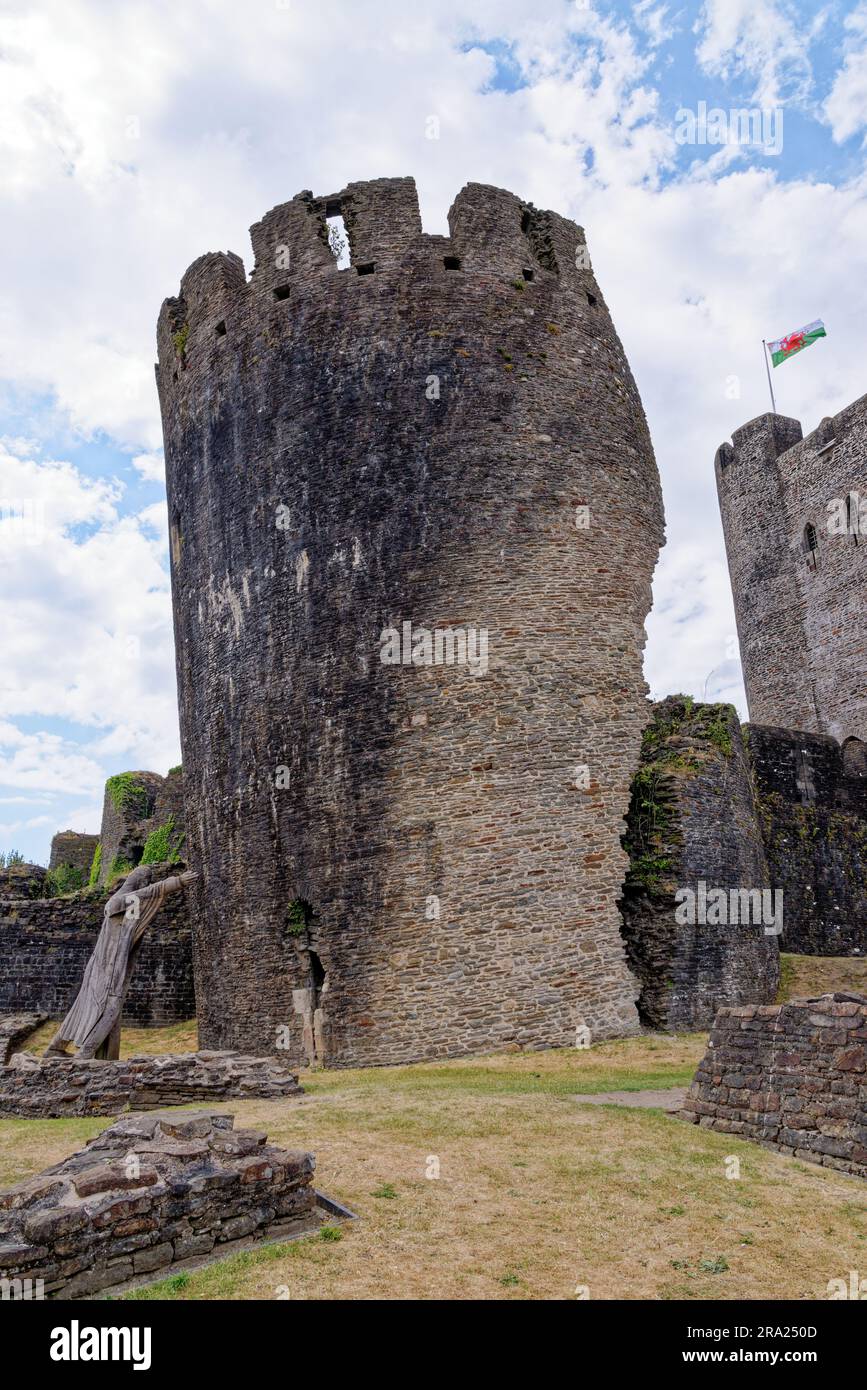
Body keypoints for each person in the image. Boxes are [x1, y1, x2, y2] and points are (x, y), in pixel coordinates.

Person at [45, 863, 197, 1060]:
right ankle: (84, 1053)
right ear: (139, 881)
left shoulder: (129, 904)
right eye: (146, 881)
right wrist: (176, 883)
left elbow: (133, 925)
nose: (147, 884)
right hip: (106, 964)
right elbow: (146, 894)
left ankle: (56, 1047)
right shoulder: (116, 901)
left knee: (91, 1005)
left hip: (111, 961)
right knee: (110, 1007)